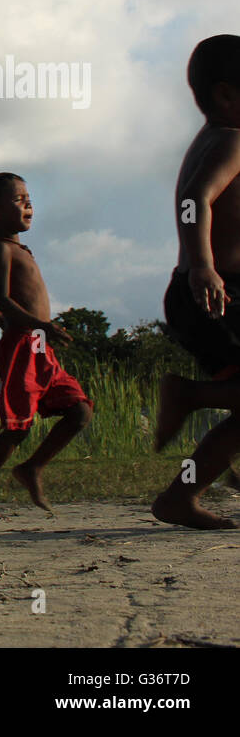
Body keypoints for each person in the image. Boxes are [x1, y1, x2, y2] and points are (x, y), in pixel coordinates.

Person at [0, 173, 94, 519]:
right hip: (22, 346)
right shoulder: (0, 250)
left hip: (37, 345)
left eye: (28, 197)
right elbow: (1, 298)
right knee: (18, 425)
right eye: (18, 199)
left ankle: (31, 468)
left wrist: (28, 327)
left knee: (80, 411)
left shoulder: (18, 249)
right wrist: (32, 324)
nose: (28, 204)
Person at [151, 35, 240, 529]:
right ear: (227, 95)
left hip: (207, 290)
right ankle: (190, 395)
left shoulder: (216, 139)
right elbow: (194, 199)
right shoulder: (231, 140)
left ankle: (179, 498)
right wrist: (202, 264)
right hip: (213, 290)